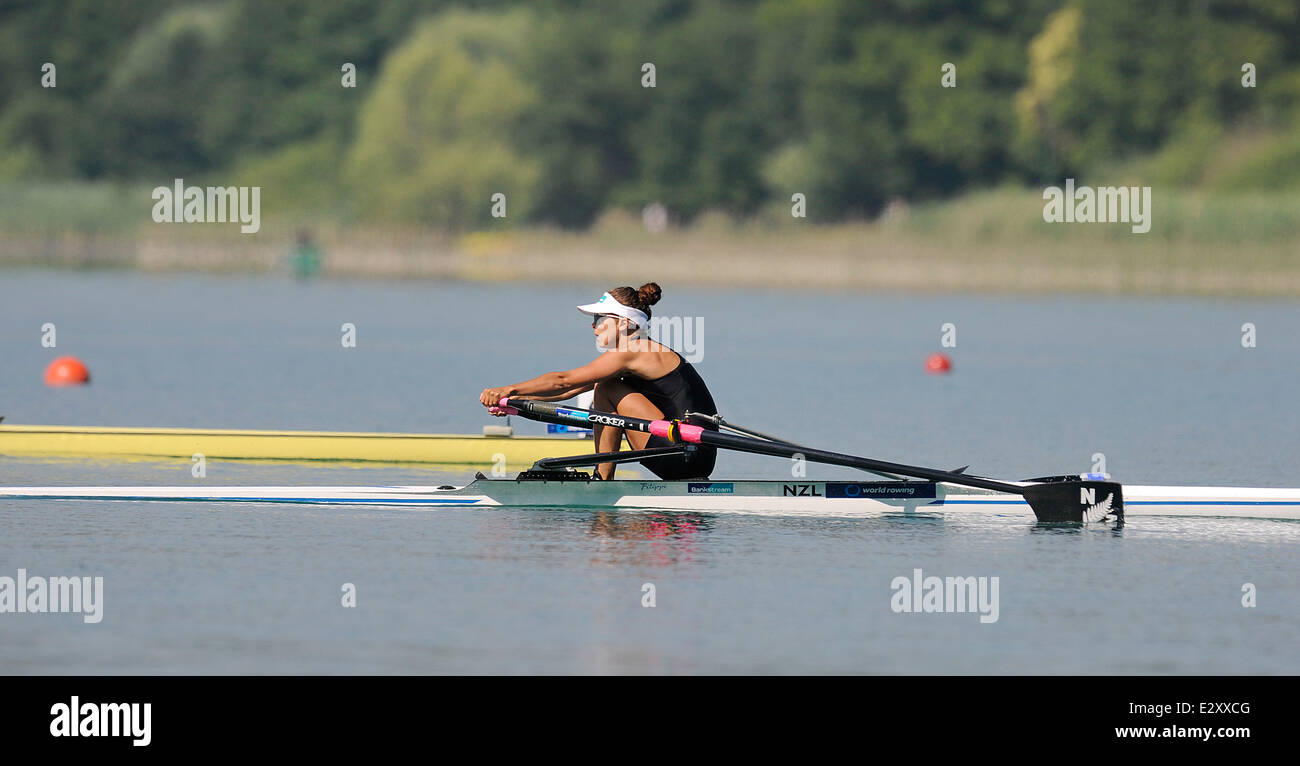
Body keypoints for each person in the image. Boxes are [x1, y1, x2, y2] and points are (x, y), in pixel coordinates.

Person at [479, 282, 717, 480]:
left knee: (606, 387)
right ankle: (603, 479)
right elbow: (567, 391)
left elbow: (563, 381)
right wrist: (514, 401)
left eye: (599, 318)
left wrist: (506, 388)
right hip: (689, 454)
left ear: (625, 323)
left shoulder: (635, 351)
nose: (593, 326)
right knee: (602, 386)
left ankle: (602, 480)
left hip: (686, 452)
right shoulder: (634, 354)